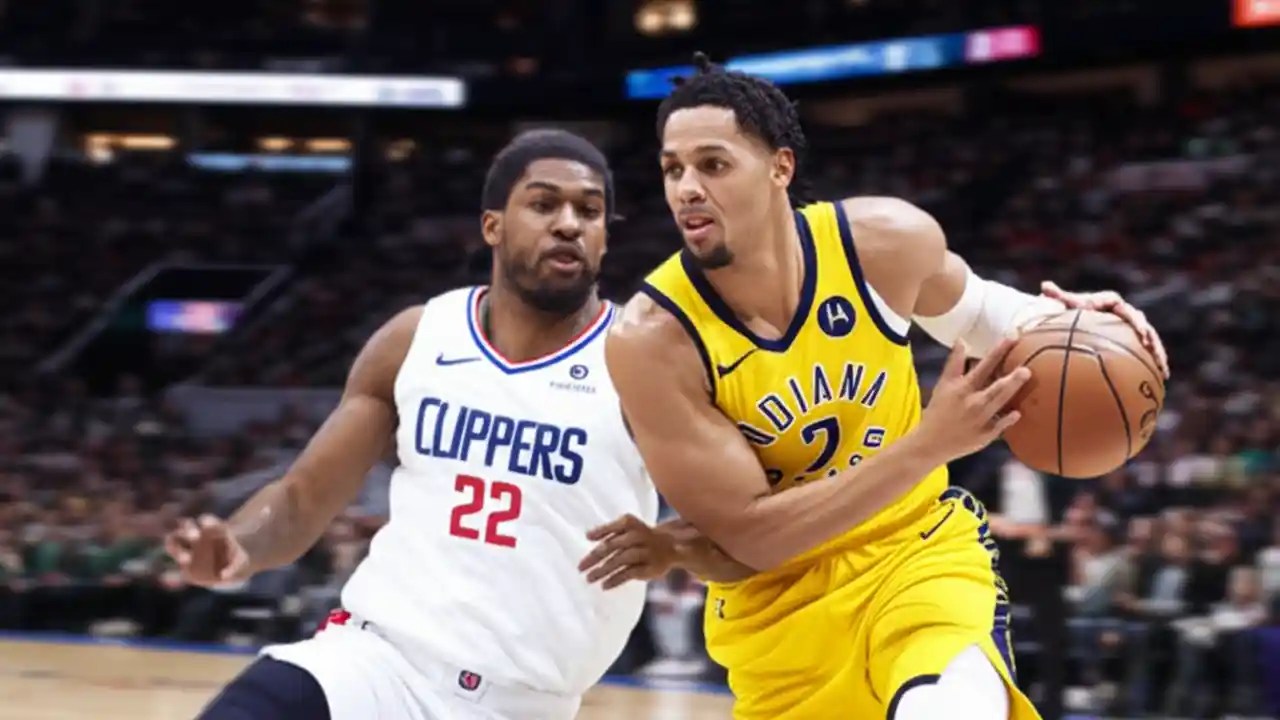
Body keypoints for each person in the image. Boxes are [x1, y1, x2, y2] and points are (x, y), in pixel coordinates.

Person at [592, 53, 1170, 720]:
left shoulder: (881, 243)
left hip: (916, 557)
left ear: (781, 167)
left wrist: (1083, 326)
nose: (686, 187)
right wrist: (929, 445)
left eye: (713, 164)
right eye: (672, 169)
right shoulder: (653, 340)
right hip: (781, 619)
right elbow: (753, 537)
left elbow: (988, 316)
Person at [166, 129, 744, 720]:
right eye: (545, 204)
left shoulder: (644, 361)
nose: (570, 224)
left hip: (521, 703)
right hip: (373, 661)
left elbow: (754, 532)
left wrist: (673, 546)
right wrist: (238, 544)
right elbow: (299, 501)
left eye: (589, 211)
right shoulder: (416, 337)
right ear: (493, 226)